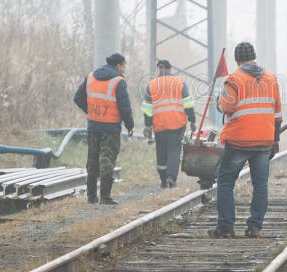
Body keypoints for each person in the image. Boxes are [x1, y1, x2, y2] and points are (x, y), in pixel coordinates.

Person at [208, 42, 282, 238]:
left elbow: (227, 108)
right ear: (254, 56)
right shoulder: (271, 78)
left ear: (237, 60)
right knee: (260, 184)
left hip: (239, 140)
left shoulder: (234, 79)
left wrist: (219, 100)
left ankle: (225, 227)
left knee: (225, 181)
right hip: (264, 140)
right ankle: (255, 227)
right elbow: (278, 115)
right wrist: (275, 140)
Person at [73, 53, 134, 205]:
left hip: (93, 125)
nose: (124, 69)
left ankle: (91, 196)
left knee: (92, 159)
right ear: (118, 65)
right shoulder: (118, 81)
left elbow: (78, 97)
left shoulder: (91, 76)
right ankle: (105, 197)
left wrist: (91, 111)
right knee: (107, 159)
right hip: (111, 128)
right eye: (123, 66)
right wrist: (130, 125)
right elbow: (125, 107)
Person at [142, 59, 197, 188]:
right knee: (174, 150)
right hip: (177, 123)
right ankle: (171, 177)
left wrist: (148, 124)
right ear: (170, 69)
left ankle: (162, 179)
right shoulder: (179, 83)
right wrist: (192, 120)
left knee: (161, 151)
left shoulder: (151, 85)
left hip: (159, 124)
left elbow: (147, 108)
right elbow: (188, 103)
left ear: (159, 69)